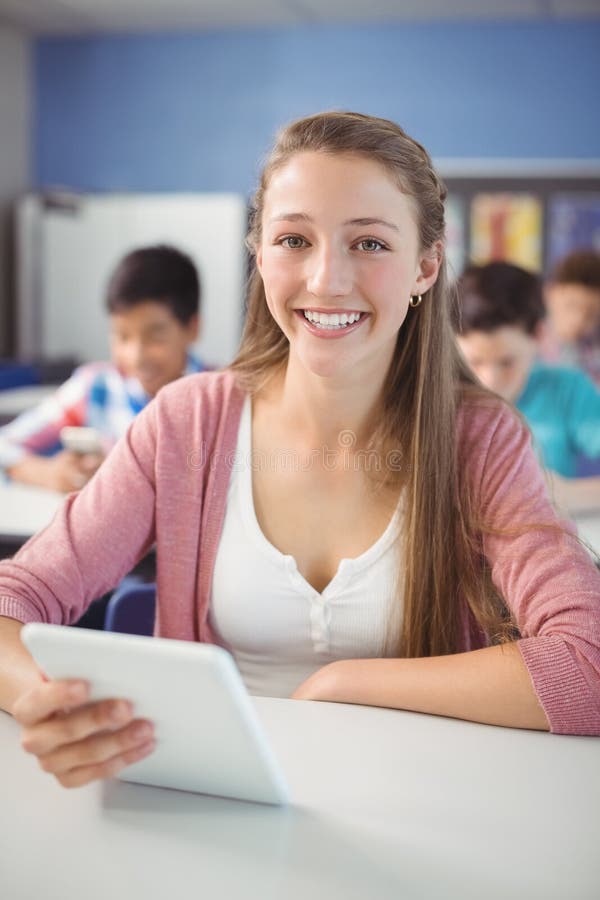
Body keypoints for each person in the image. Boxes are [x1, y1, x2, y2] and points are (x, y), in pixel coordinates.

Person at [0, 111, 599, 790]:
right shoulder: (187, 423)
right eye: (293, 239)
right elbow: (13, 598)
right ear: (260, 255)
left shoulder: (480, 440)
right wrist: (44, 702)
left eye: (369, 243)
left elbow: (589, 662)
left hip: (419, 807)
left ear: (425, 267)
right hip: (217, 805)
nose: (325, 280)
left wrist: (345, 683)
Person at [0, 244, 204, 493]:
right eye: (122, 336)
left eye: (155, 337)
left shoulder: (220, 396)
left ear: (192, 328)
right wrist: (50, 474)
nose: (136, 356)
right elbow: (4, 445)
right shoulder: (95, 387)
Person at [453, 261, 600, 514]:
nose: (490, 381)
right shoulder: (434, 395)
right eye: (475, 362)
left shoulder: (567, 390)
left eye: (507, 362)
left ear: (539, 337)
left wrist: (570, 494)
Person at [538, 249, 600, 385]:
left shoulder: (595, 352)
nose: (579, 320)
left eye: (591, 313)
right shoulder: (529, 344)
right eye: (571, 305)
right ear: (548, 294)